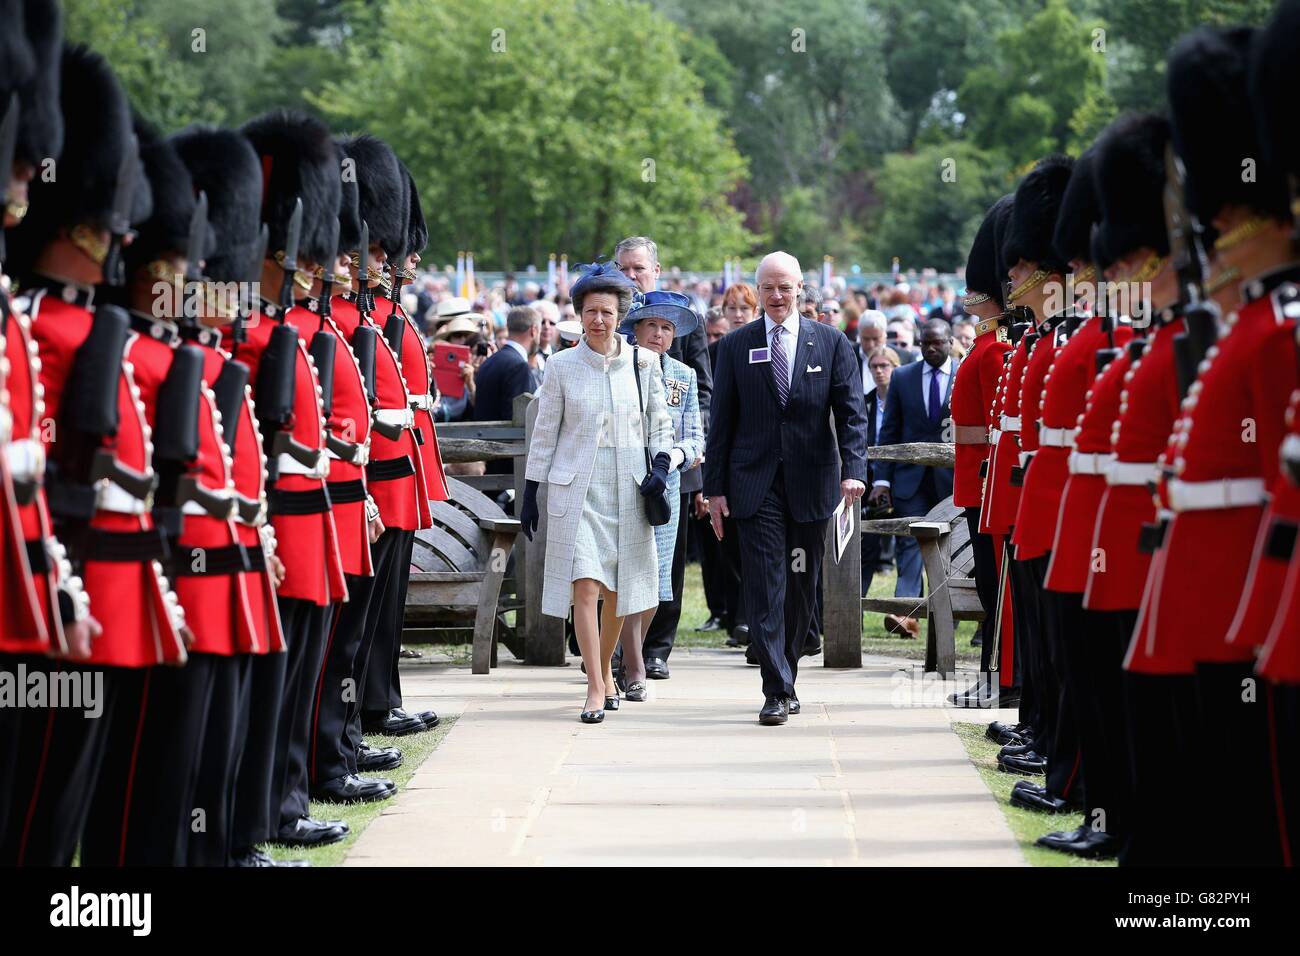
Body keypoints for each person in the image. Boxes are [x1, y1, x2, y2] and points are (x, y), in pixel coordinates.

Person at [705, 251, 868, 725]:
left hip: (812, 481)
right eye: (768, 288)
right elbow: (722, 424)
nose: (776, 296)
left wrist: (854, 469)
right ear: (757, 292)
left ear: (800, 289)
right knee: (764, 582)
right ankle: (775, 688)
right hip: (754, 486)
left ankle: (788, 671)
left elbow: (852, 413)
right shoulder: (736, 346)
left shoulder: (831, 343)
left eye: (785, 287)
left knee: (800, 585)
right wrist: (715, 489)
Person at [519, 262, 672, 723]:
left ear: (620, 314)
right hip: (577, 490)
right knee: (584, 585)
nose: (598, 320)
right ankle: (593, 683)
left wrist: (661, 467)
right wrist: (531, 490)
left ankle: (606, 669)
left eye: (606, 312)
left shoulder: (644, 363)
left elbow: (660, 424)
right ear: (579, 315)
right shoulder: (562, 366)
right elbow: (545, 433)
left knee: (618, 592)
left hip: (627, 488)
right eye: (590, 312)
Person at [615, 235, 711, 681]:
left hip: (675, 468)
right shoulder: (610, 319)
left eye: (638, 268)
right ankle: (612, 648)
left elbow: (701, 396)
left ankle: (656, 650)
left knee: (666, 564)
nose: (631, 276)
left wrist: (682, 456)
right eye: (624, 268)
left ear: (655, 269)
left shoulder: (683, 337)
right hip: (618, 469)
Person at [868, 320, 959, 637]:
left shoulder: (963, 374)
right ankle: (904, 611)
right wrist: (883, 480)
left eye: (937, 342)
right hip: (910, 479)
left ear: (950, 341)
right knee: (910, 543)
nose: (931, 348)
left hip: (951, 480)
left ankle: (949, 612)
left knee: (948, 545)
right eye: (925, 344)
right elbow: (889, 431)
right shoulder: (904, 378)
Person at [859, 346, 899, 597]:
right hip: (869, 481)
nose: (879, 371)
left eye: (885, 366)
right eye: (874, 366)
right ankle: (857, 604)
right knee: (866, 545)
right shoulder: (866, 402)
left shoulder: (905, 399)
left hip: (901, 478)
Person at [473, 306, 540, 446]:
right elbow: (518, 420)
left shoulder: (490, 361)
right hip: (508, 458)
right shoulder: (519, 366)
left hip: (487, 451)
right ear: (533, 330)